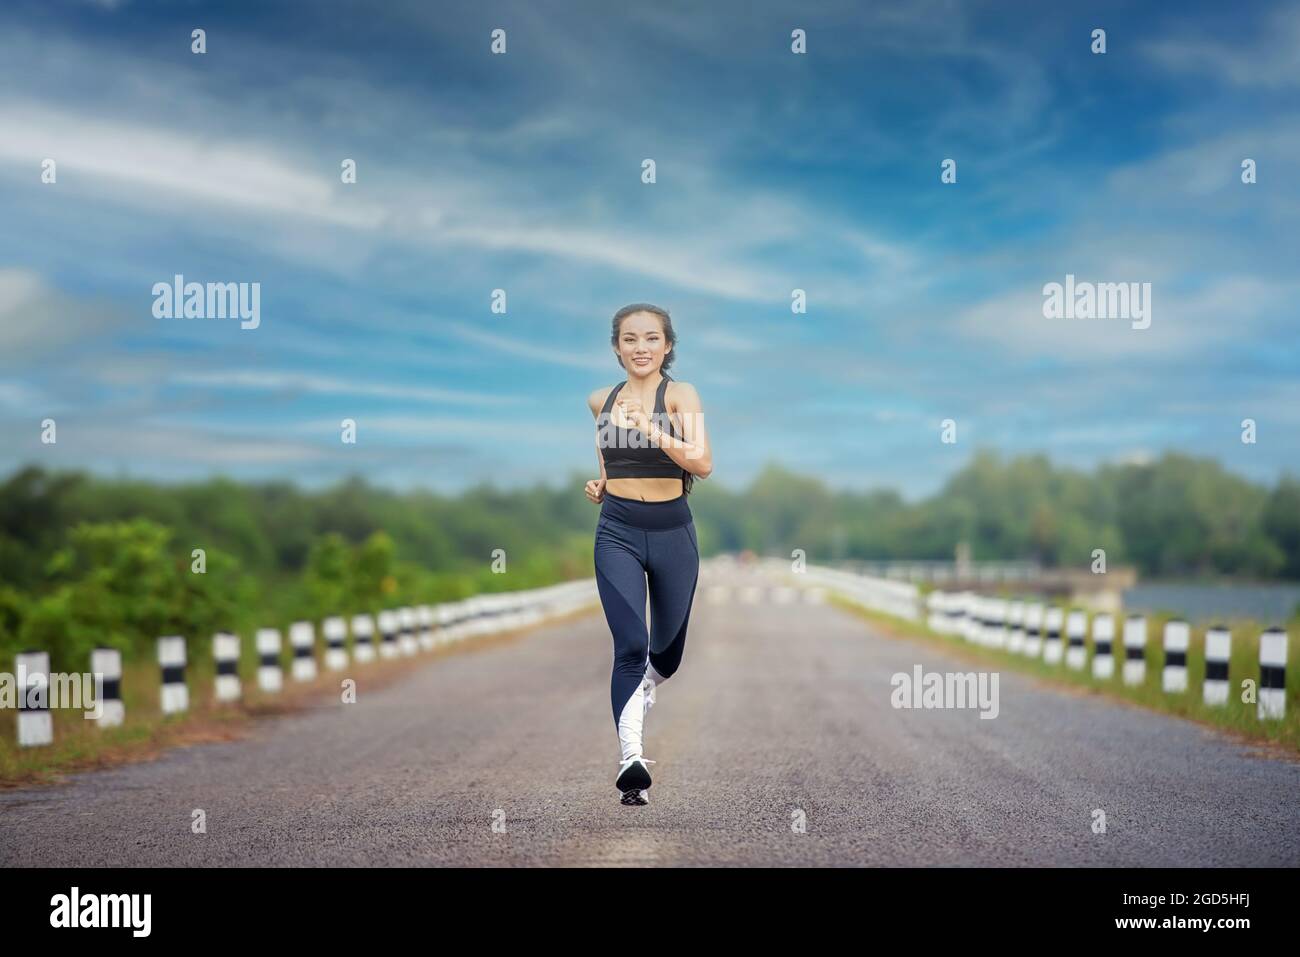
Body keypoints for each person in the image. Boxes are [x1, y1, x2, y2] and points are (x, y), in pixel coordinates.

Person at [586, 303, 713, 805]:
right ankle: (631, 761)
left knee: (667, 656)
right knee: (630, 645)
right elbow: (608, 458)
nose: (641, 348)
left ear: (667, 345)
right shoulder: (600, 400)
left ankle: (645, 689)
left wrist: (652, 429)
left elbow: (702, 463)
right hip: (616, 529)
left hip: (672, 531)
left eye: (652, 338)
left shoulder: (681, 395)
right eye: (631, 339)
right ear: (617, 347)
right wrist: (602, 482)